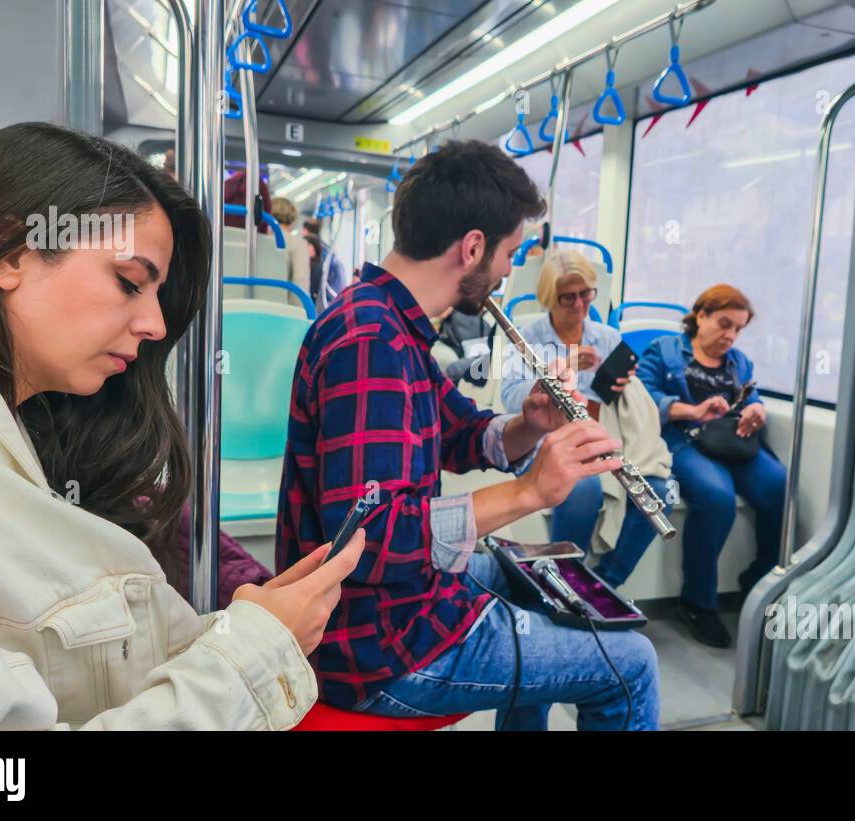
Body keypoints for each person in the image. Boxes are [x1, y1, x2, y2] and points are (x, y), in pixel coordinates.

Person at [0, 122, 363, 730]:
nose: (156, 324)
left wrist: (252, 630)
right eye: (129, 282)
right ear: (9, 251)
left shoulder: (4, 429)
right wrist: (254, 653)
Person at [276, 140, 660, 731]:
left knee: (537, 581)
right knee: (633, 663)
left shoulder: (392, 324)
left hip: (401, 601)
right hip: (378, 645)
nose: (510, 271)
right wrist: (531, 491)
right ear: (473, 246)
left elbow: (461, 432)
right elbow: (372, 540)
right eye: (511, 253)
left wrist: (529, 424)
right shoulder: (370, 341)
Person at [500, 251, 673, 590]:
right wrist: (561, 367)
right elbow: (509, 397)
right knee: (583, 486)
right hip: (546, 440)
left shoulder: (607, 337)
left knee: (660, 490)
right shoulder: (525, 338)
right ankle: (561, 581)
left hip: (604, 436)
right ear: (550, 299)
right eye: (568, 298)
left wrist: (620, 386)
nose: (580, 305)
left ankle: (604, 585)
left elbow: (623, 401)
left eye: (586, 295)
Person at [637, 284, 787, 648]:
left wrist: (757, 409)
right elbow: (643, 397)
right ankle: (698, 602)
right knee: (716, 497)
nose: (730, 335)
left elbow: (752, 396)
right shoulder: (665, 351)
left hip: (731, 440)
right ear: (700, 315)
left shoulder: (739, 361)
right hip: (684, 439)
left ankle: (759, 579)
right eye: (724, 324)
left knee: (781, 485)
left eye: (737, 328)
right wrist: (692, 410)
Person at [270, 196, 312, 307]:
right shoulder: (298, 244)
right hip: (281, 309)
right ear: (292, 218)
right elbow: (300, 283)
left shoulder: (256, 240)